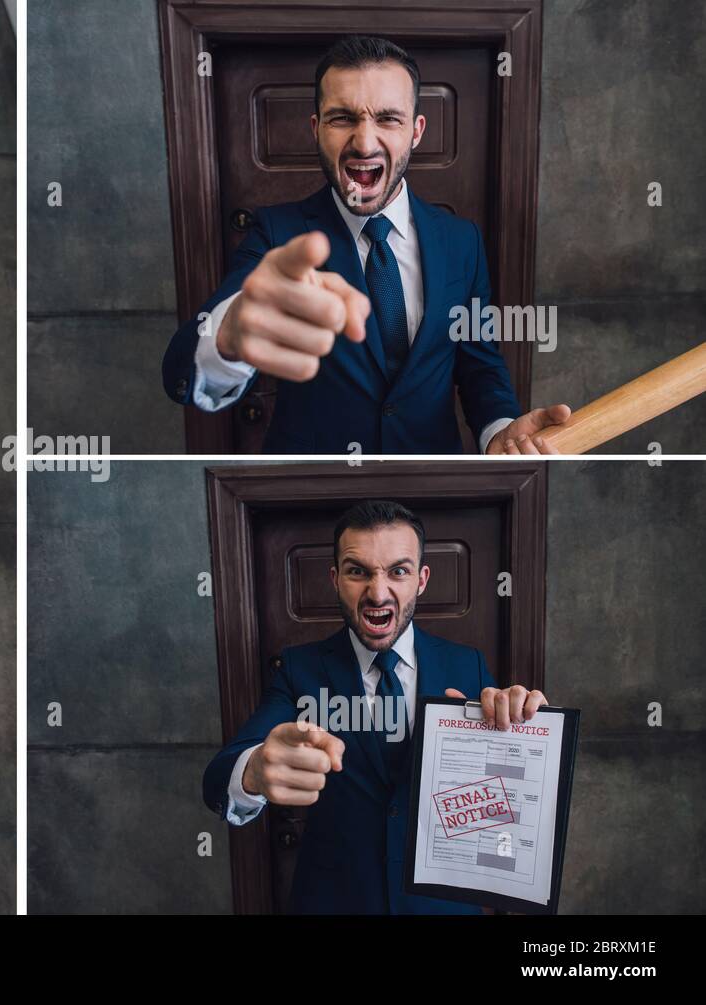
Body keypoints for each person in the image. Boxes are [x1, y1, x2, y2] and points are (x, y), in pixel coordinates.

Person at [163, 35, 570, 454]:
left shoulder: (461, 241)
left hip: (432, 480)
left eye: (388, 119)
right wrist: (229, 334)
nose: (364, 142)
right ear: (316, 129)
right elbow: (180, 372)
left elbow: (479, 366)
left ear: (416, 131)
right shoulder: (275, 233)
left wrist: (500, 430)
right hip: (312, 484)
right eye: (342, 118)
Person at [201, 500, 549, 913]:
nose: (378, 593)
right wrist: (254, 771)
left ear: (421, 580)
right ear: (336, 579)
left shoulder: (466, 666)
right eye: (358, 571)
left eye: (398, 571)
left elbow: (502, 794)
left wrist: (523, 732)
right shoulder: (299, 670)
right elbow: (219, 779)